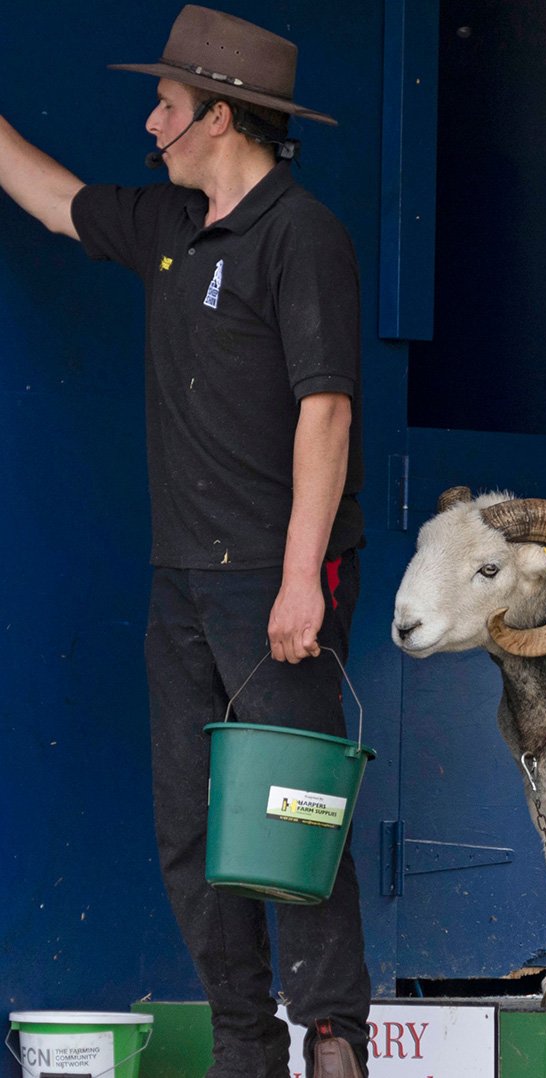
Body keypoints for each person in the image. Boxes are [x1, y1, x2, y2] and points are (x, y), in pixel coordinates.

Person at [0, 7, 369, 1077]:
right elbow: (55, 200)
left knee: (291, 817)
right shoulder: (167, 223)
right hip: (183, 582)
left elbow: (327, 413)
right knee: (191, 828)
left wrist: (301, 577)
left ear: (218, 114)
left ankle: (334, 1036)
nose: (150, 116)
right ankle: (246, 1045)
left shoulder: (304, 237)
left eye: (166, 102)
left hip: (277, 577)